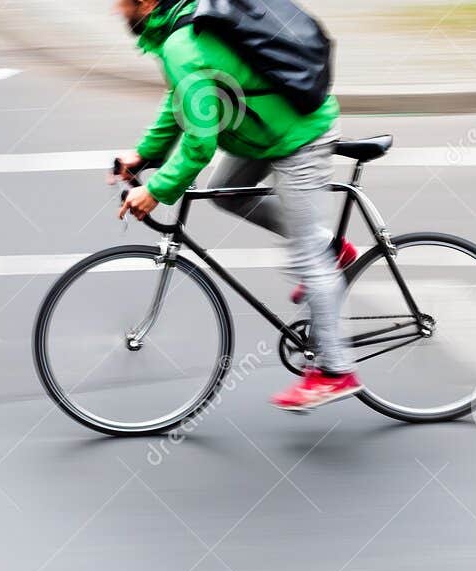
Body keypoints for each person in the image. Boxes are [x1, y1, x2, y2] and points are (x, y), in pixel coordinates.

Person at [110, 0, 360, 411]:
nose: (116, 12)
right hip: (268, 128)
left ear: (147, 3)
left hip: (297, 135)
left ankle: (336, 371)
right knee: (227, 191)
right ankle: (329, 247)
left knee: (304, 257)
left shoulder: (181, 43)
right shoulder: (181, 33)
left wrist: (156, 190)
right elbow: (186, 101)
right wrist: (144, 154)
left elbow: (199, 143)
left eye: (121, 3)